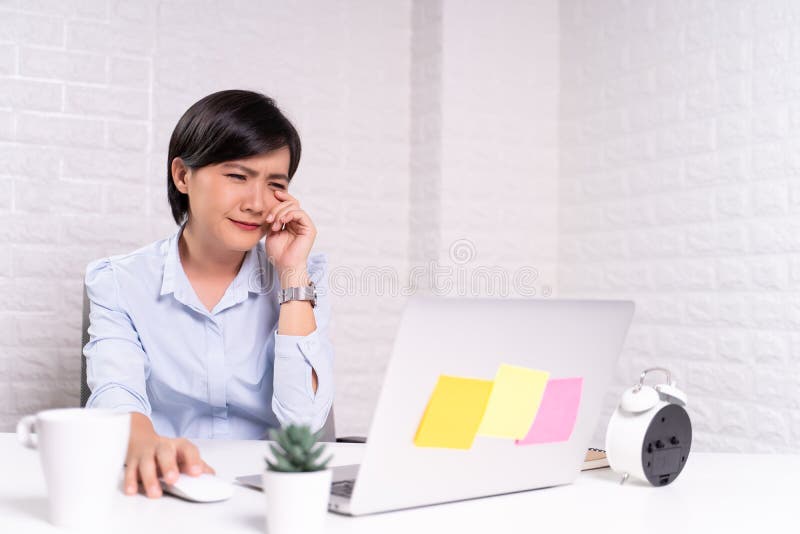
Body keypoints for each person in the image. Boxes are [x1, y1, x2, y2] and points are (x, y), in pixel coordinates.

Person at [82, 89, 334, 498]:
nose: (257, 203)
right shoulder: (120, 281)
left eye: (275, 184)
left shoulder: (300, 278)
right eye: (237, 176)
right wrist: (145, 444)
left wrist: (292, 275)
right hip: (169, 480)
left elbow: (304, 425)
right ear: (183, 176)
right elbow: (116, 391)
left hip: (270, 488)